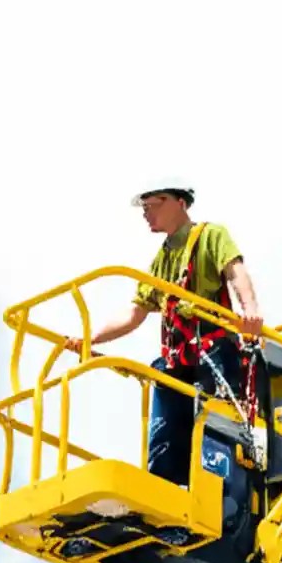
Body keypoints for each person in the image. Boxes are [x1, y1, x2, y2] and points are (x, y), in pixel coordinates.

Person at [65, 184, 265, 487]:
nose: (146, 213)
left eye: (151, 204)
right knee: (164, 400)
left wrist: (250, 311)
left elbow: (235, 271)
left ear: (179, 202)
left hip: (213, 355)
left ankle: (220, 488)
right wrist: (90, 339)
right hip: (180, 363)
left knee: (214, 431)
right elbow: (135, 315)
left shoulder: (211, 236)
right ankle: (165, 489)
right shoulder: (161, 262)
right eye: (143, 207)